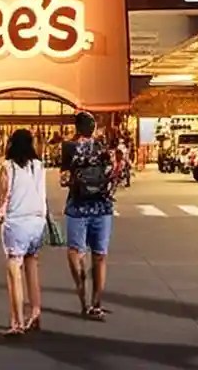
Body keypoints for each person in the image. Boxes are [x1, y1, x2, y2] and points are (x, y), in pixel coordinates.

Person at [59, 111, 117, 320]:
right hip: (102, 206)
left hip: (77, 207)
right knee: (100, 255)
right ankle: (96, 304)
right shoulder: (103, 146)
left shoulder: (69, 147)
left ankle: (84, 301)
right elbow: (112, 174)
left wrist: (77, 177)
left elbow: (64, 179)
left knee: (76, 253)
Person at [0, 128, 48, 336]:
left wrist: (0, 214)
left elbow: (3, 196)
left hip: (17, 222)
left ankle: (17, 321)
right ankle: (35, 311)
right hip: (37, 221)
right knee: (31, 263)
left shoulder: (8, 167)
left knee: (14, 268)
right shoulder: (38, 165)